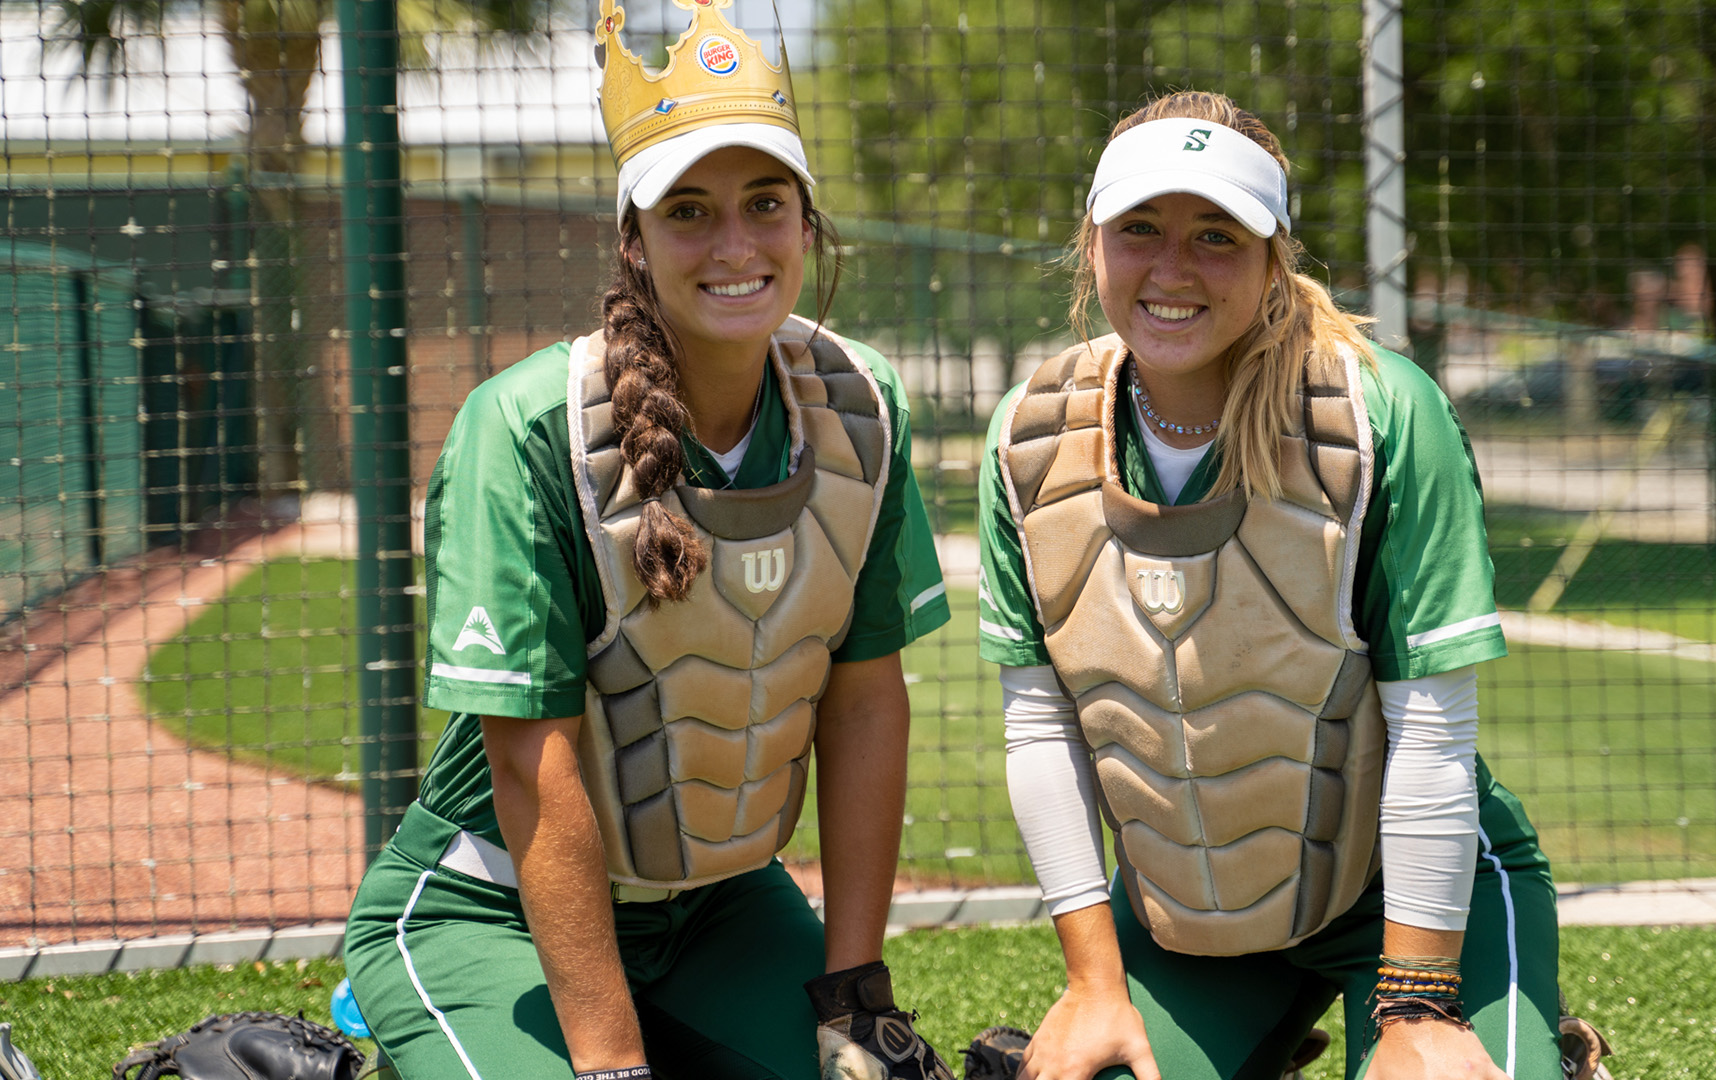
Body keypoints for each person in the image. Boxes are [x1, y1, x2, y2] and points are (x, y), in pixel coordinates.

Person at [343, 3, 955, 1078]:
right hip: (488, 910)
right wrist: (612, 1060)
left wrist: (854, 1000)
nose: (735, 245)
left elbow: (864, 701)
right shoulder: (525, 427)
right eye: (688, 211)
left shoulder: (864, 408)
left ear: (807, 223)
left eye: (767, 203)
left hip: (717, 908)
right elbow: (534, 767)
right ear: (634, 238)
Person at [975, 91, 1589, 1080]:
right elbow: (1039, 729)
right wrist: (1094, 984)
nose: (1172, 268)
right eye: (1141, 229)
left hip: (1418, 903)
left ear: (1273, 259)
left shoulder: (1386, 412)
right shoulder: (1029, 436)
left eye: (1216, 235)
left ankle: (1531, 1052)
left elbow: (1433, 726)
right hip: (1194, 913)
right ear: (1093, 243)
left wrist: (1423, 1004)